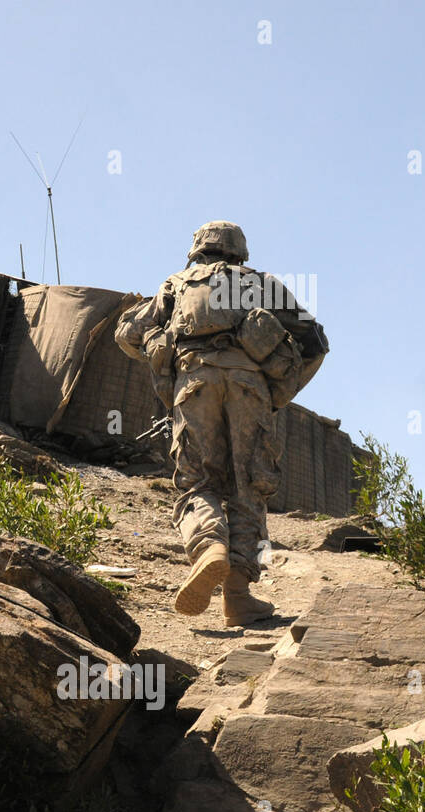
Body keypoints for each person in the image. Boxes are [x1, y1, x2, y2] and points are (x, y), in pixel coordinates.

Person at [115, 221, 328, 626]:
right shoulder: (260, 283)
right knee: (249, 487)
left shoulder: (176, 285)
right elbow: (315, 341)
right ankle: (238, 596)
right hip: (251, 389)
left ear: (198, 250)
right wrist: (281, 390)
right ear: (239, 252)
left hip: (194, 383)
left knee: (198, 482)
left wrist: (162, 350)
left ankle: (208, 547)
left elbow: (126, 333)